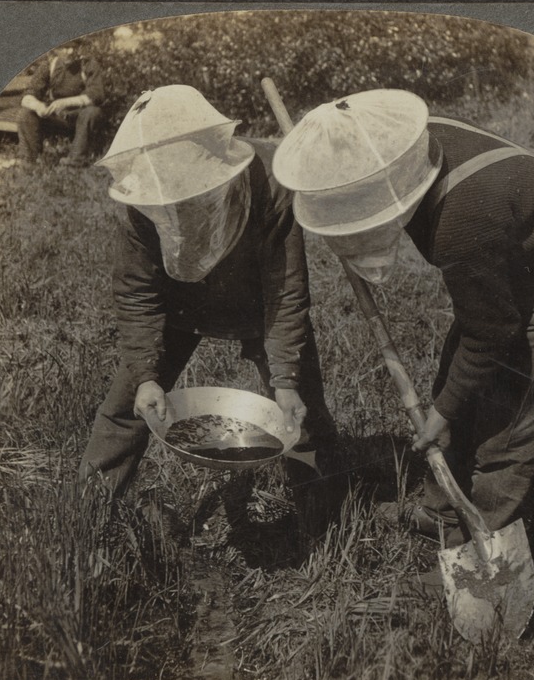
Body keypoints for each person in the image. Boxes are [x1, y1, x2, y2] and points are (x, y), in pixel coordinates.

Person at [274, 89, 534, 551]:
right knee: (455, 384)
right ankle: (440, 514)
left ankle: (483, 540)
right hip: (501, 247)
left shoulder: (463, 218)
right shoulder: (406, 146)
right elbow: (482, 326)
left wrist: (443, 412)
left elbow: (492, 333)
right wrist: (446, 406)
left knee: (509, 412)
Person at [79, 84, 342, 537]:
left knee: (302, 416)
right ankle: (83, 519)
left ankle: (328, 526)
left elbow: (286, 290)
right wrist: (146, 376)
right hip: (177, 307)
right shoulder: (138, 199)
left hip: (259, 306)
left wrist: (285, 380)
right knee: (125, 410)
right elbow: (137, 293)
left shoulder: (271, 181)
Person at [18, 46, 109, 166]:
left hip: (79, 119)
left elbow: (96, 95)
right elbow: (28, 95)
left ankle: (76, 159)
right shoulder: (49, 65)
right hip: (57, 118)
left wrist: (64, 102)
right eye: (65, 47)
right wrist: (38, 106)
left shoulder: (87, 64)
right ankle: (30, 161)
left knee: (92, 112)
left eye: (73, 46)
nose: (70, 51)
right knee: (26, 113)